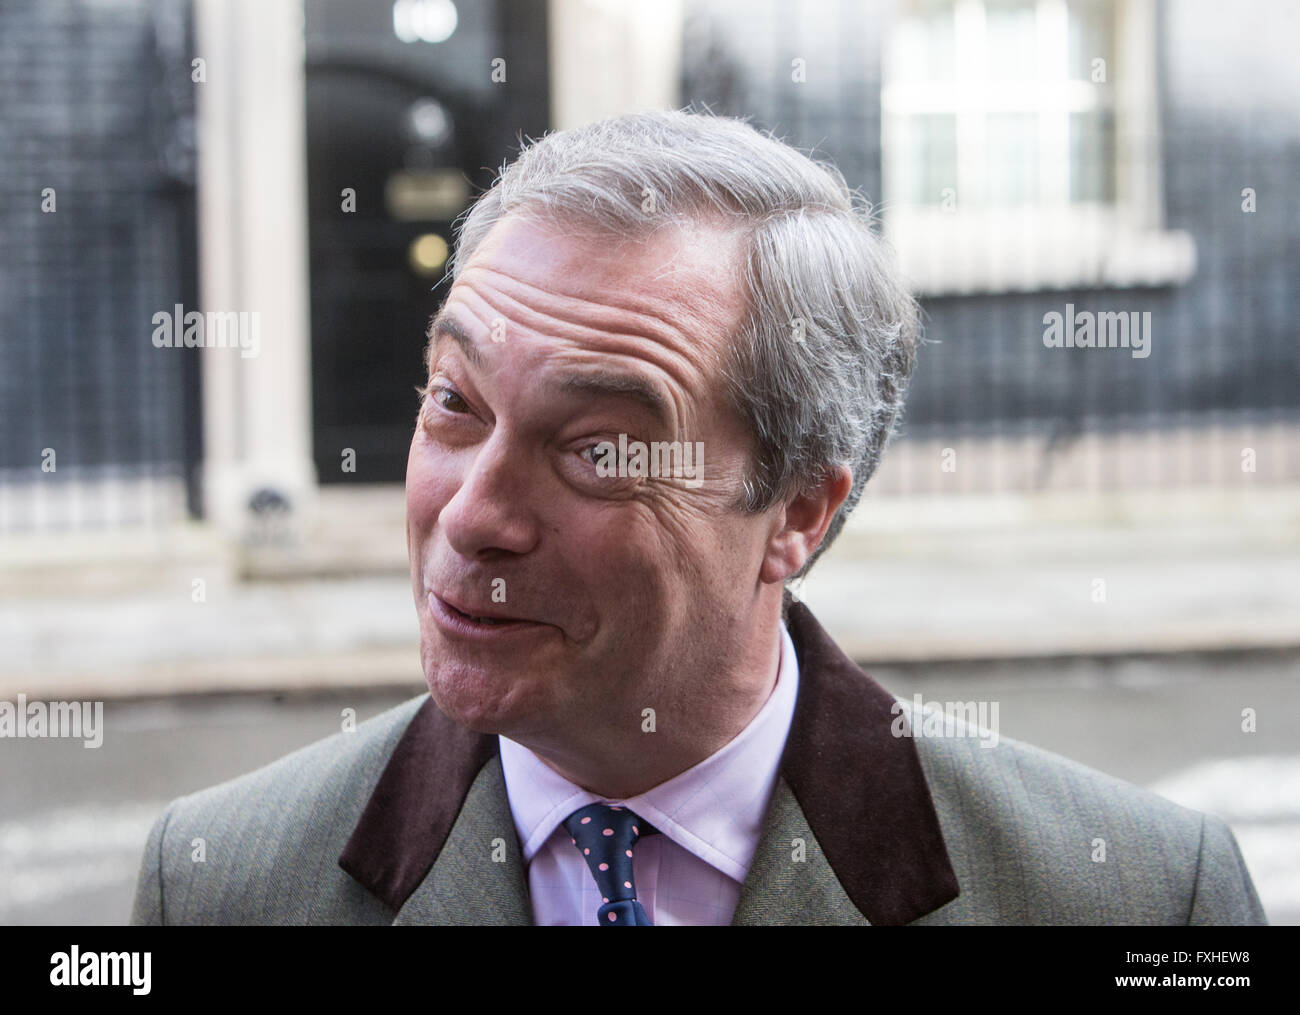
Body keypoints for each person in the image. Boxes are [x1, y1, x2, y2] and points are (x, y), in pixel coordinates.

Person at [130, 109, 1266, 926]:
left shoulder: (1137, 895)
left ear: (799, 510)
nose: (471, 518)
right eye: (453, 404)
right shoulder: (219, 881)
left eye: (596, 449)